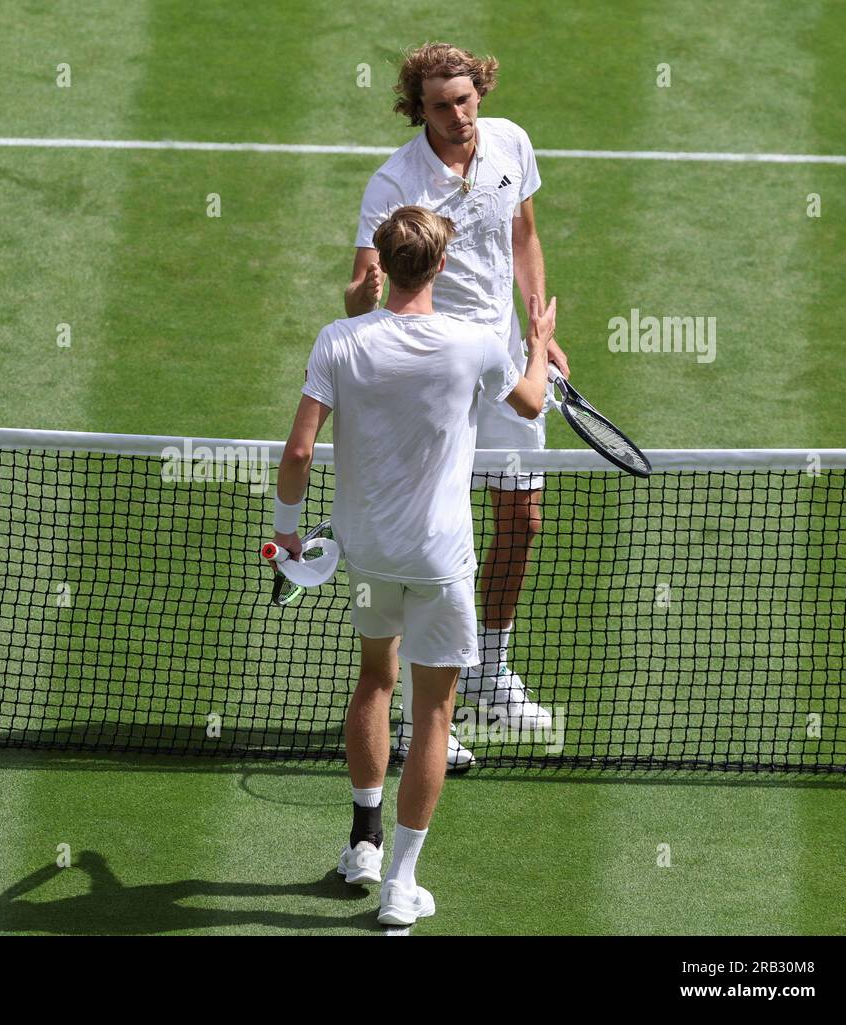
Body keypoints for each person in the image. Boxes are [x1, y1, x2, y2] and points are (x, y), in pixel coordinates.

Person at [274, 204, 553, 927]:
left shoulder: (339, 340)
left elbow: (299, 452)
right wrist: (539, 343)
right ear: (441, 265)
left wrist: (286, 536)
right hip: (439, 562)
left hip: (366, 553)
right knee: (433, 710)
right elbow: (530, 403)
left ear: (382, 266)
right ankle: (400, 881)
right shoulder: (475, 343)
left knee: (375, 677)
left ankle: (361, 839)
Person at [345, 43, 566, 768]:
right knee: (432, 547)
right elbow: (363, 281)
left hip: (502, 362)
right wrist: (360, 301)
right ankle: (415, 716)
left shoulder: (511, 143)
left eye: (466, 98)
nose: (458, 114)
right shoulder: (394, 182)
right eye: (441, 105)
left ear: (481, 92)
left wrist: (540, 334)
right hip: (435, 377)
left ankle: (488, 675)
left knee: (522, 520)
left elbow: (523, 235)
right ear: (419, 108)